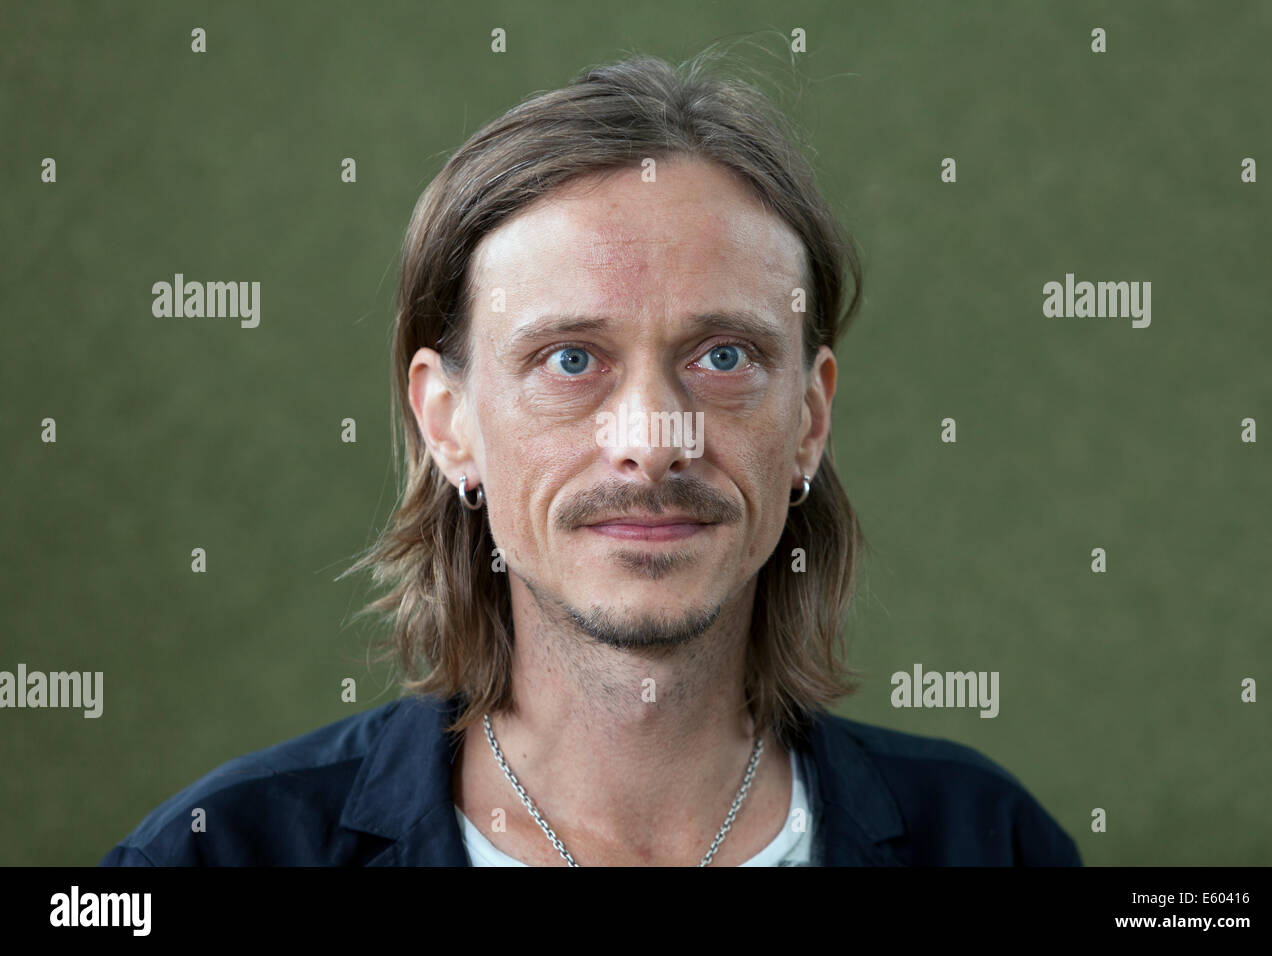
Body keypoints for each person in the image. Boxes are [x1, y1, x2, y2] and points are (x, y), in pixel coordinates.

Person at [101, 50, 1081, 867]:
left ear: (811, 417)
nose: (652, 441)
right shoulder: (217, 853)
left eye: (723, 356)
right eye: (570, 359)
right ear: (448, 422)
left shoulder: (988, 842)